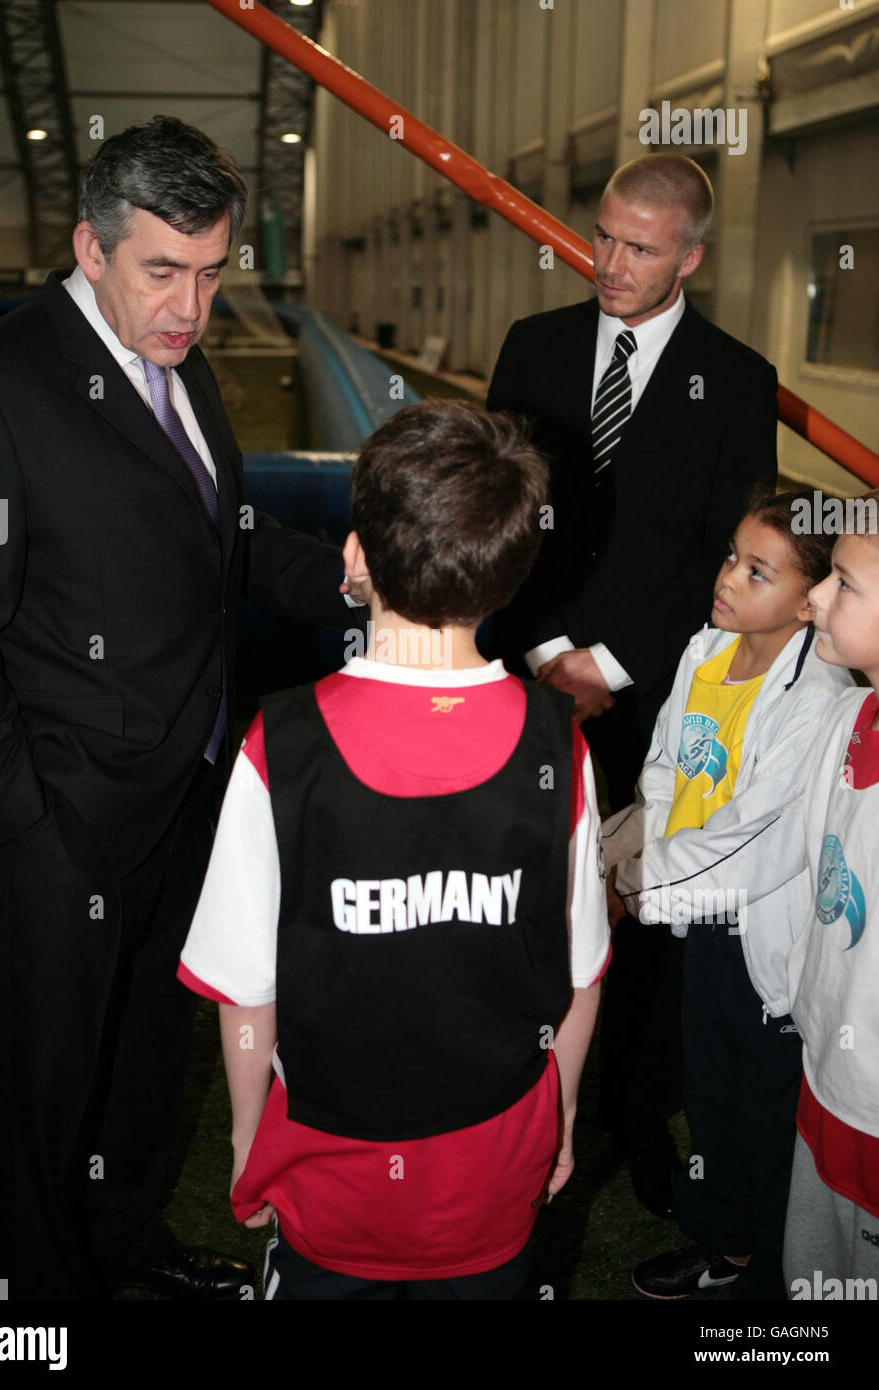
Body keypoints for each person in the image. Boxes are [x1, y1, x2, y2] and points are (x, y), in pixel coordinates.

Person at [0, 116, 362, 1300]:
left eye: (213, 274)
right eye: (164, 271)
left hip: (191, 790)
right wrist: (19, 814)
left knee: (154, 1048)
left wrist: (357, 574)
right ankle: (46, 1301)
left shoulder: (177, 358)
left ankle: (129, 1245)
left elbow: (227, 539)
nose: (190, 306)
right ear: (91, 247)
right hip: (62, 813)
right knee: (54, 1080)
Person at [177, 400, 611, 1300]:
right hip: (493, 1170)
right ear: (505, 577)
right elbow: (580, 976)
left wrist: (247, 1136)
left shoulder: (281, 746)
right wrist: (561, 1118)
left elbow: (247, 993)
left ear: (353, 559)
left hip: (333, 1175)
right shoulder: (554, 741)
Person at [487, 153, 779, 1209]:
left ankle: (635, 1119)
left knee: (649, 923)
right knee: (522, 905)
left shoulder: (738, 380)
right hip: (525, 681)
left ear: (690, 257)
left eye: (639, 247)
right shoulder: (534, 346)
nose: (608, 261)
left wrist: (607, 666)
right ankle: (518, 1103)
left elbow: (726, 556)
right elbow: (495, 516)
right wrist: (544, 651)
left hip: (655, 701)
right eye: (603, 234)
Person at [603, 488, 852, 1299]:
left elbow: (753, 840)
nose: (728, 579)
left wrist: (643, 883)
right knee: (707, 1092)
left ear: (810, 600)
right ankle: (724, 1244)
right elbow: (665, 765)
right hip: (696, 916)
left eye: (757, 571)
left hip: (758, 934)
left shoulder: (818, 699)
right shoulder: (704, 649)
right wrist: (651, 856)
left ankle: (773, 1268)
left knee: (761, 1108)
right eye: (730, 557)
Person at [783, 494, 879, 1299]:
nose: (814, 595)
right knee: (815, 1274)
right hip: (827, 1068)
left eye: (842, 583)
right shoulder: (850, 714)